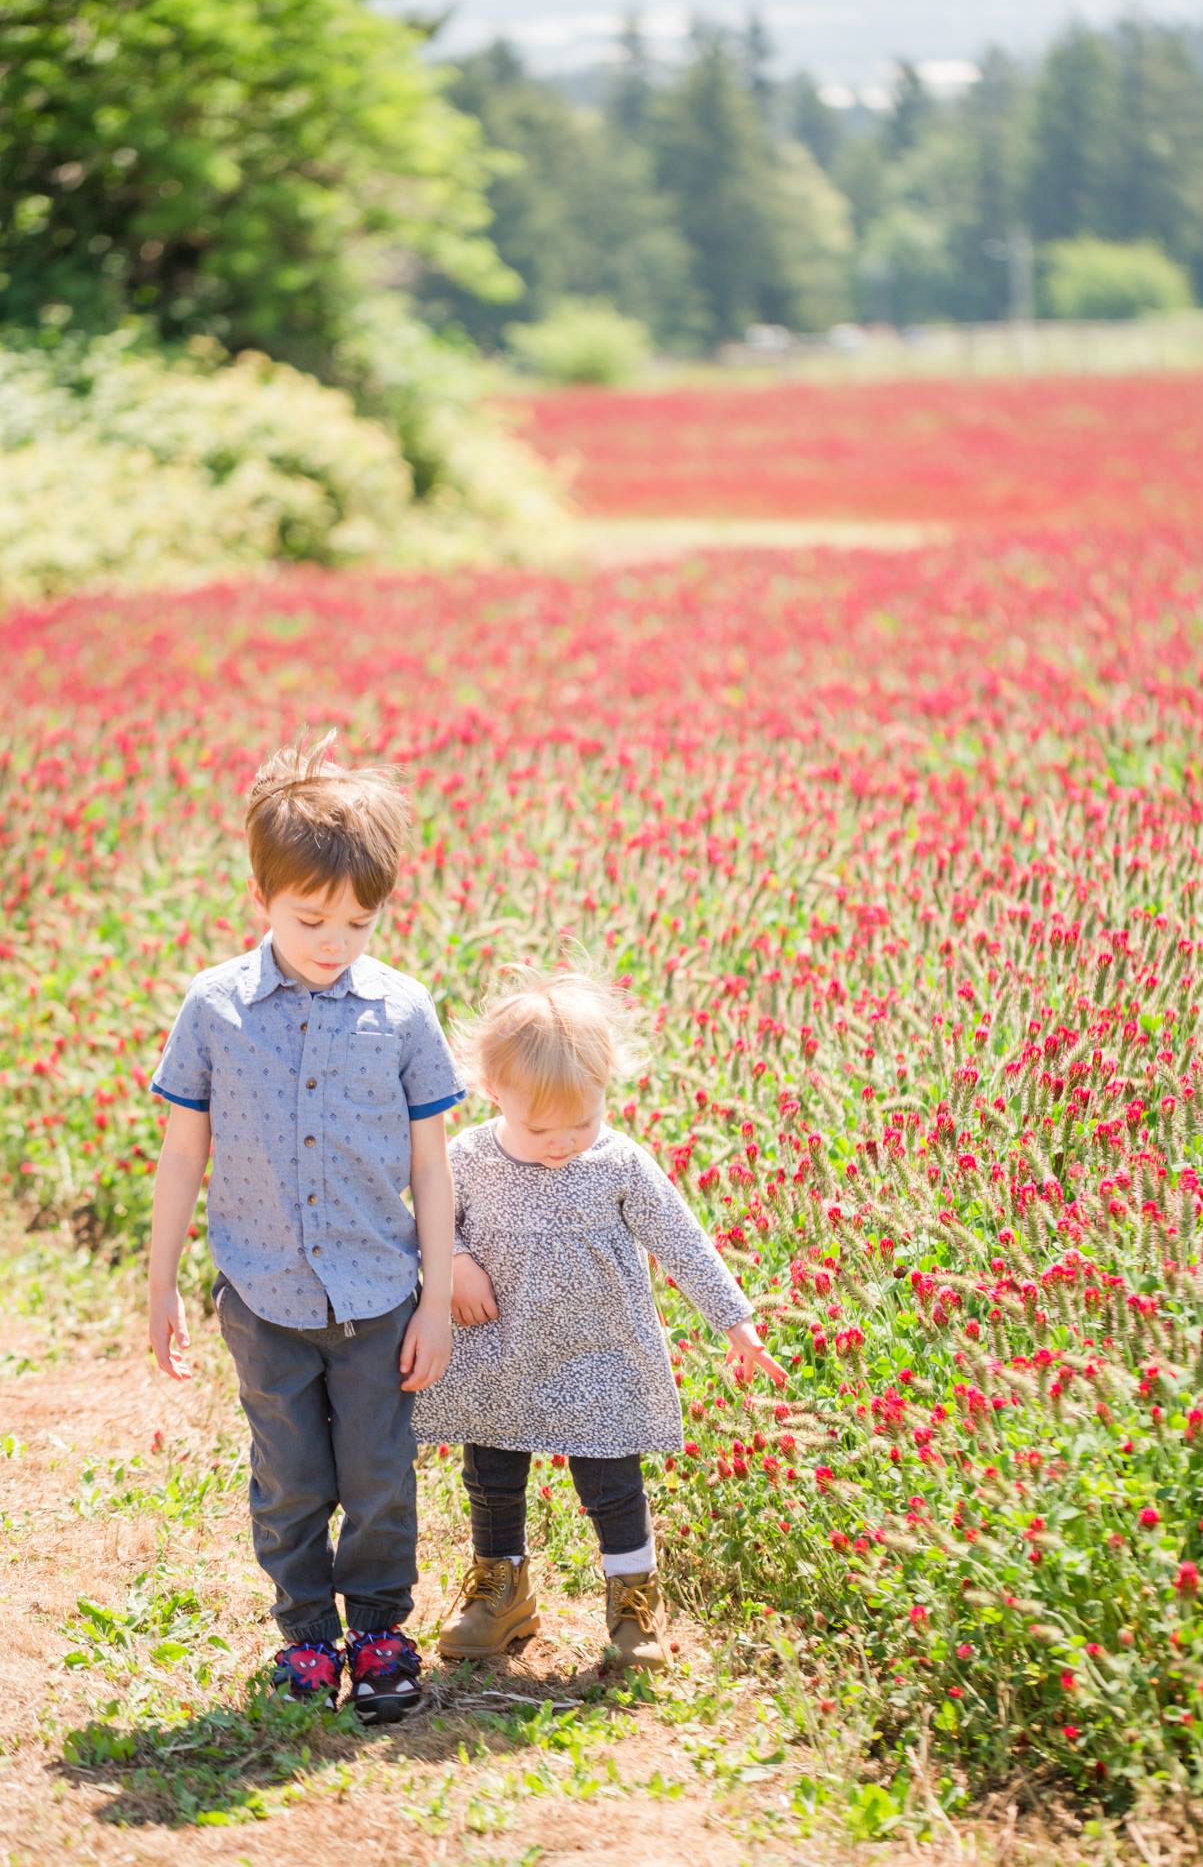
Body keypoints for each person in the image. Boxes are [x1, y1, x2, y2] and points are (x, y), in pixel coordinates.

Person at [145, 733, 462, 1723]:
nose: (333, 939)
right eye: (309, 916)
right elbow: (183, 1153)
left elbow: (433, 1163)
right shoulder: (215, 1007)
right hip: (264, 1294)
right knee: (288, 1480)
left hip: (379, 1295)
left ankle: (378, 1631)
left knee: (377, 1475)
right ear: (262, 898)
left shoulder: (404, 1010)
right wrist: (158, 1285)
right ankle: (307, 1639)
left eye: (356, 922)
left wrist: (440, 1296)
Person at [413, 962, 787, 1670]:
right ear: (493, 1093)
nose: (562, 1140)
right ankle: (501, 1590)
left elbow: (681, 1239)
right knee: (491, 1474)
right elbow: (427, 1222)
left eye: (582, 1120)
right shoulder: (464, 1159)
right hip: (498, 1349)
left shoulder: (618, 1164)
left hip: (600, 1350)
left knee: (611, 1482)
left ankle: (632, 1604)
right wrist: (454, 1262)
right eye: (540, 1126)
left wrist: (734, 1321)